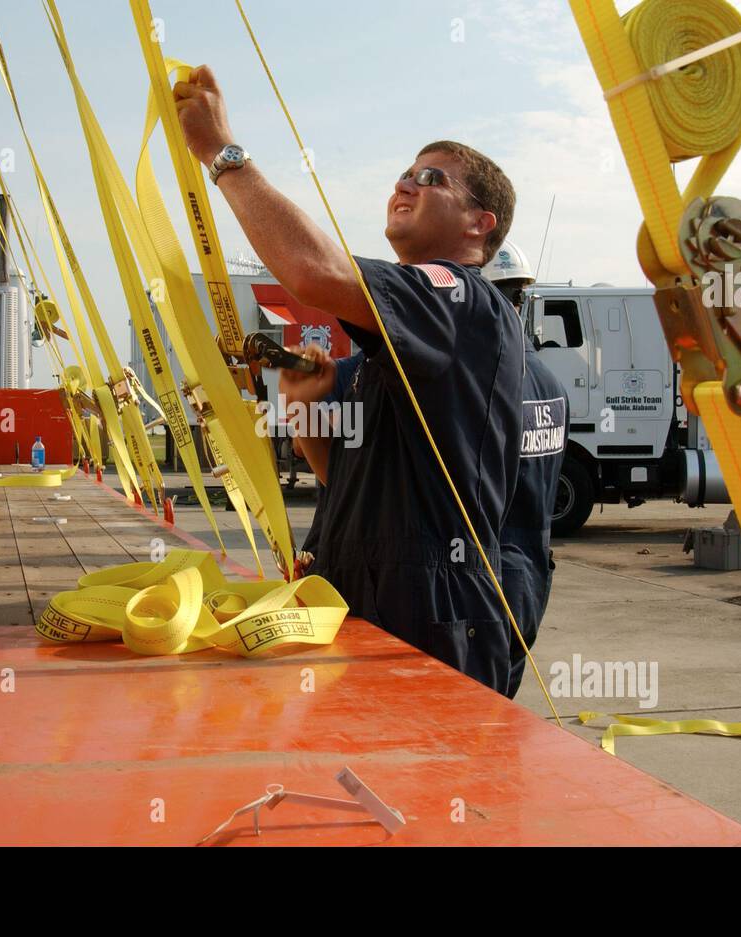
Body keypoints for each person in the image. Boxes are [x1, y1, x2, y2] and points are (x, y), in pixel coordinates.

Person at [175, 66, 523, 695]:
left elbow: (312, 271)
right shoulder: (398, 347)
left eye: (432, 178)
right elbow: (350, 477)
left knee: (427, 785)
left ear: (480, 224)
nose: (405, 183)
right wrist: (304, 410)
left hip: (430, 609)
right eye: (404, 173)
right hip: (354, 592)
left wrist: (222, 156)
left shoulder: (457, 298)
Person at [484, 241, 568, 697]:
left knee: (471, 724)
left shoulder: (487, 383)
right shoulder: (550, 381)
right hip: (531, 577)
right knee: (498, 713)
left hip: (488, 583)